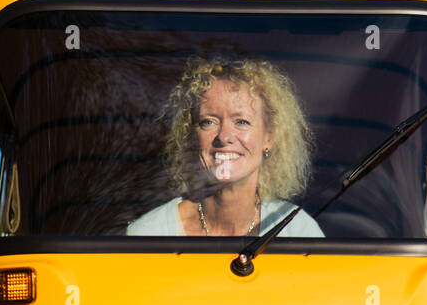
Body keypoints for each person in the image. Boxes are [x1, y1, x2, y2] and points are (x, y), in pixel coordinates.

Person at [126, 55, 323, 238]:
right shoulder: (150, 233)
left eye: (242, 122)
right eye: (209, 122)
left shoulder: (297, 231)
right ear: (192, 137)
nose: (224, 136)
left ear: (269, 137)